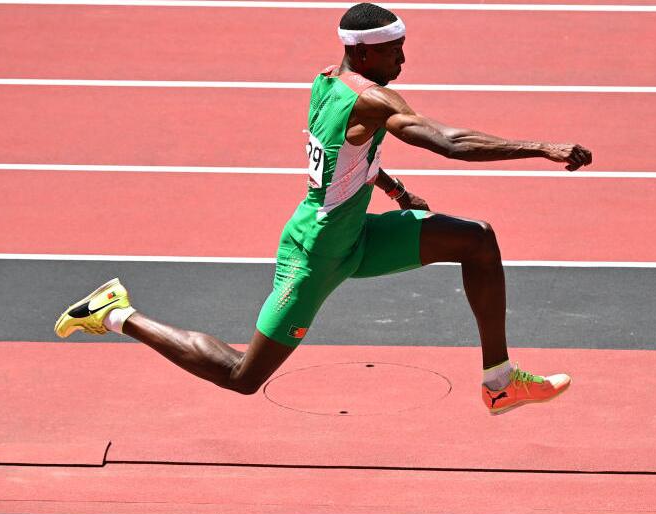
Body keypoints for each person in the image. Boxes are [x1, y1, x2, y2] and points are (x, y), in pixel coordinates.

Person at [55, 2, 592, 415]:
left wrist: (396, 192)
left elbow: (343, 156)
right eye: (395, 51)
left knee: (477, 239)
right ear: (365, 54)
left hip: (355, 236)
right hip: (315, 252)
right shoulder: (373, 99)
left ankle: (500, 383)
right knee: (242, 376)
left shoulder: (326, 80)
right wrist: (541, 148)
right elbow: (448, 142)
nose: (403, 60)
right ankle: (116, 313)